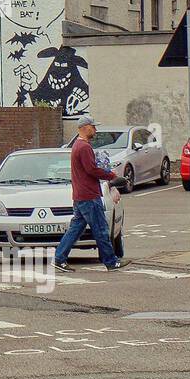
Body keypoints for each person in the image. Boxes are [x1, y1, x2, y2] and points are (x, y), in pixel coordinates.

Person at [54, 116, 130, 272]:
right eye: (93, 127)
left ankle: (59, 258)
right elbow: (91, 170)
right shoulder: (83, 147)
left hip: (80, 195)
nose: (95, 130)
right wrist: (111, 175)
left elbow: (88, 169)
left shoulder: (77, 146)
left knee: (75, 229)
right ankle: (110, 261)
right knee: (101, 229)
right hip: (89, 196)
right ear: (85, 127)